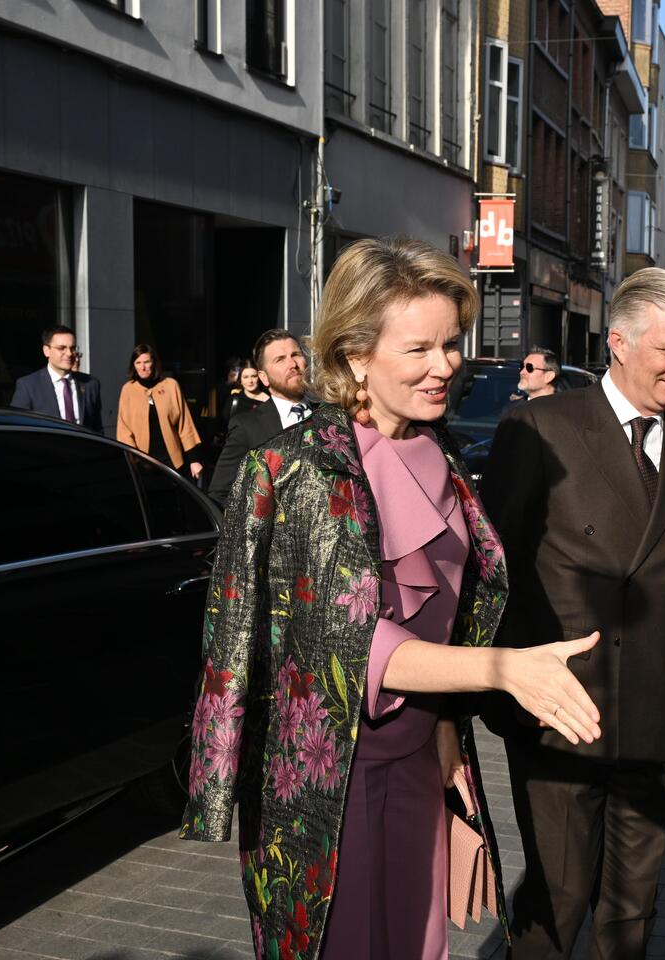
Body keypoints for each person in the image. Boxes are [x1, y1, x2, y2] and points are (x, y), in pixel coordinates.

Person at [179, 236, 602, 960]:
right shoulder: (300, 468)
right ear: (354, 357)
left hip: (416, 760)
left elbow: (449, 609)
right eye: (420, 349)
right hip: (324, 781)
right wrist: (503, 670)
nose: (446, 365)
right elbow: (348, 642)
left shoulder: (438, 453)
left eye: (451, 344)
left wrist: (448, 748)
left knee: (414, 944)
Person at [482, 267, 665, 958]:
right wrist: (514, 691)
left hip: (651, 709)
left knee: (632, 906)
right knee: (559, 897)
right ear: (618, 342)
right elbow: (497, 570)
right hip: (562, 709)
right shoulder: (540, 427)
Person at [207, 329, 313, 506]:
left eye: (296, 354)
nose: (293, 364)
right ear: (264, 377)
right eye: (280, 359)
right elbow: (220, 494)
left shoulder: (331, 415)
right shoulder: (246, 426)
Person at [115, 344, 204, 479]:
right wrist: (135, 458)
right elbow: (124, 430)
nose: (143, 367)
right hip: (142, 463)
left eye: (146, 362)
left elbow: (185, 425)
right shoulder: (128, 390)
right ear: (133, 365)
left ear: (154, 363)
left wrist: (194, 460)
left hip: (172, 461)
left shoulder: (171, 385)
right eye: (138, 363)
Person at [9, 325, 103, 429]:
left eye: (72, 348)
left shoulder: (90, 384)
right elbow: (18, 427)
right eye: (61, 348)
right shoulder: (29, 386)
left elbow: (96, 428)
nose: (69, 353)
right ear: (46, 351)